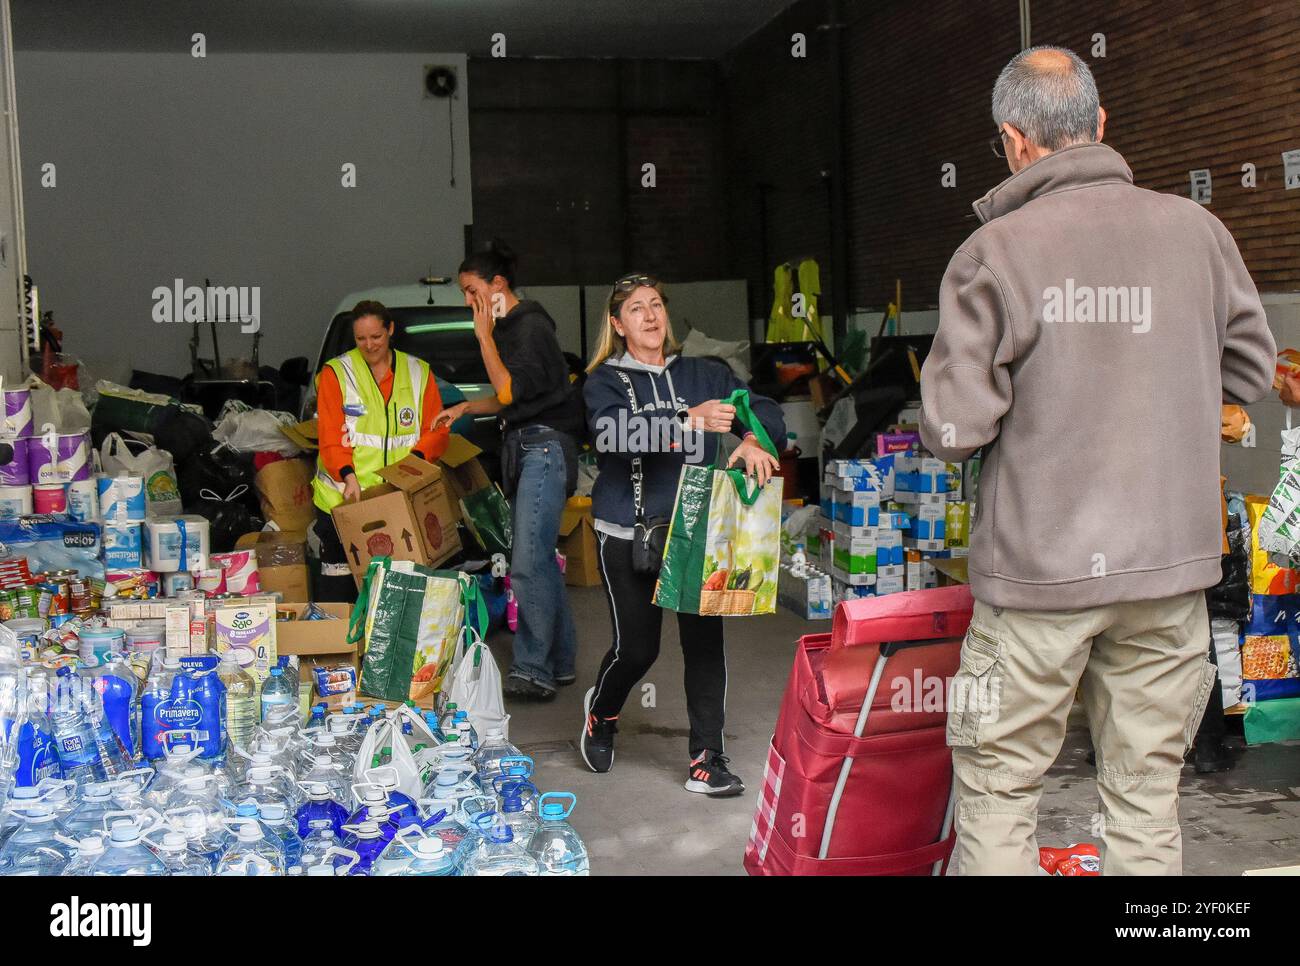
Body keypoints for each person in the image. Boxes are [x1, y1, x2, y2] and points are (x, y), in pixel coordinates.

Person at [918, 47, 1275, 874]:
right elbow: (1251, 372)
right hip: (1170, 578)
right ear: (1101, 124)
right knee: (1146, 793)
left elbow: (955, 426)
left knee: (1000, 790)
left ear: (1012, 139)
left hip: (1038, 584)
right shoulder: (1200, 231)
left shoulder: (993, 253)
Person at [579, 273, 784, 795]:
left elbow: (756, 408)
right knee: (637, 649)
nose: (650, 316)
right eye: (636, 309)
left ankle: (707, 759)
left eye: (656, 305)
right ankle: (601, 714)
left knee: (704, 645)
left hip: (698, 532)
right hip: (627, 533)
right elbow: (613, 436)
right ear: (617, 323)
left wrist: (752, 441)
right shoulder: (603, 381)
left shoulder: (703, 372)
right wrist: (684, 419)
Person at [435, 239, 584, 700]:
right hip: (527, 447)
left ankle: (533, 669)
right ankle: (559, 662)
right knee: (536, 557)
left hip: (543, 450)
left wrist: (482, 338)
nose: (467, 301)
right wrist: (464, 408)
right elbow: (515, 396)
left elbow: (506, 391)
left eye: (470, 289)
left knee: (527, 562)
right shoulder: (515, 328)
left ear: (497, 284)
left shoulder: (530, 326)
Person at [310, 300, 450, 602]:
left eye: (376, 337)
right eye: (361, 339)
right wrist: (347, 475)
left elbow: (437, 430)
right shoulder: (337, 373)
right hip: (343, 499)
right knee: (339, 581)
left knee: (394, 584)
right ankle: (339, 645)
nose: (369, 345)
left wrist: (413, 468)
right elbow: (330, 435)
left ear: (390, 330)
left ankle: (383, 646)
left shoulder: (417, 373)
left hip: (395, 499)